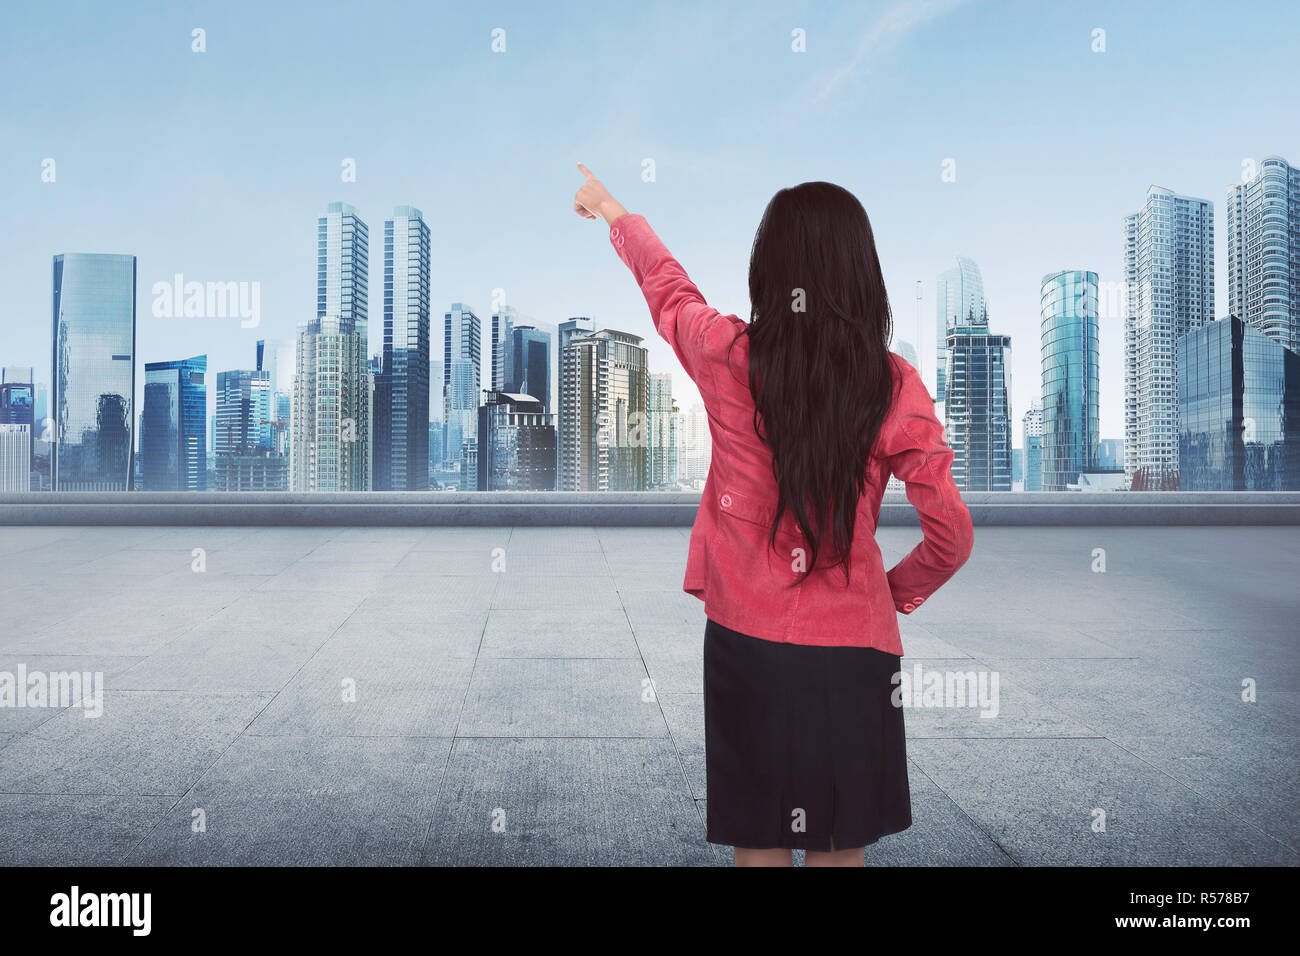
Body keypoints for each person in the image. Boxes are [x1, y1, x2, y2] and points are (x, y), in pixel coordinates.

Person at [573, 164, 974, 867]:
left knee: (758, 842)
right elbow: (951, 535)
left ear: (771, 268)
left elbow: (669, 290)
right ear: (861, 274)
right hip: (854, 653)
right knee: (837, 847)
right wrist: (891, 591)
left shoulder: (727, 355)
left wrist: (614, 211)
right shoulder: (893, 384)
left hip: (745, 642)